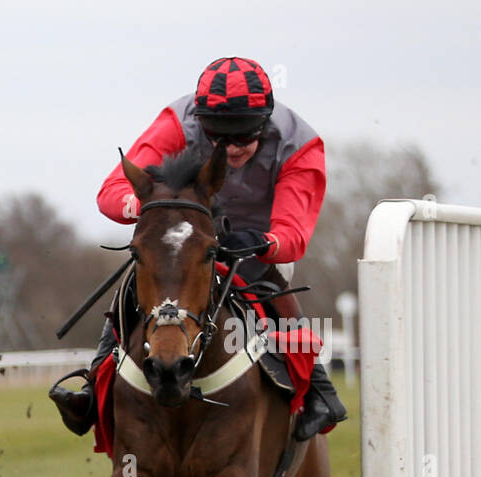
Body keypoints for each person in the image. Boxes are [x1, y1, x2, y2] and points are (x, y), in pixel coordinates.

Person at [50, 56, 346, 442]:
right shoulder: (177, 122)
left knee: (272, 283)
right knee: (139, 278)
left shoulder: (300, 145)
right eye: (219, 136)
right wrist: (160, 210)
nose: (232, 147)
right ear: (201, 120)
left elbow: (293, 235)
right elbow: (111, 193)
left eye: (244, 135)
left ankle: (321, 392)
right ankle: (92, 385)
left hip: (254, 250)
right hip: (186, 238)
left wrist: (263, 243)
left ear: (266, 121)